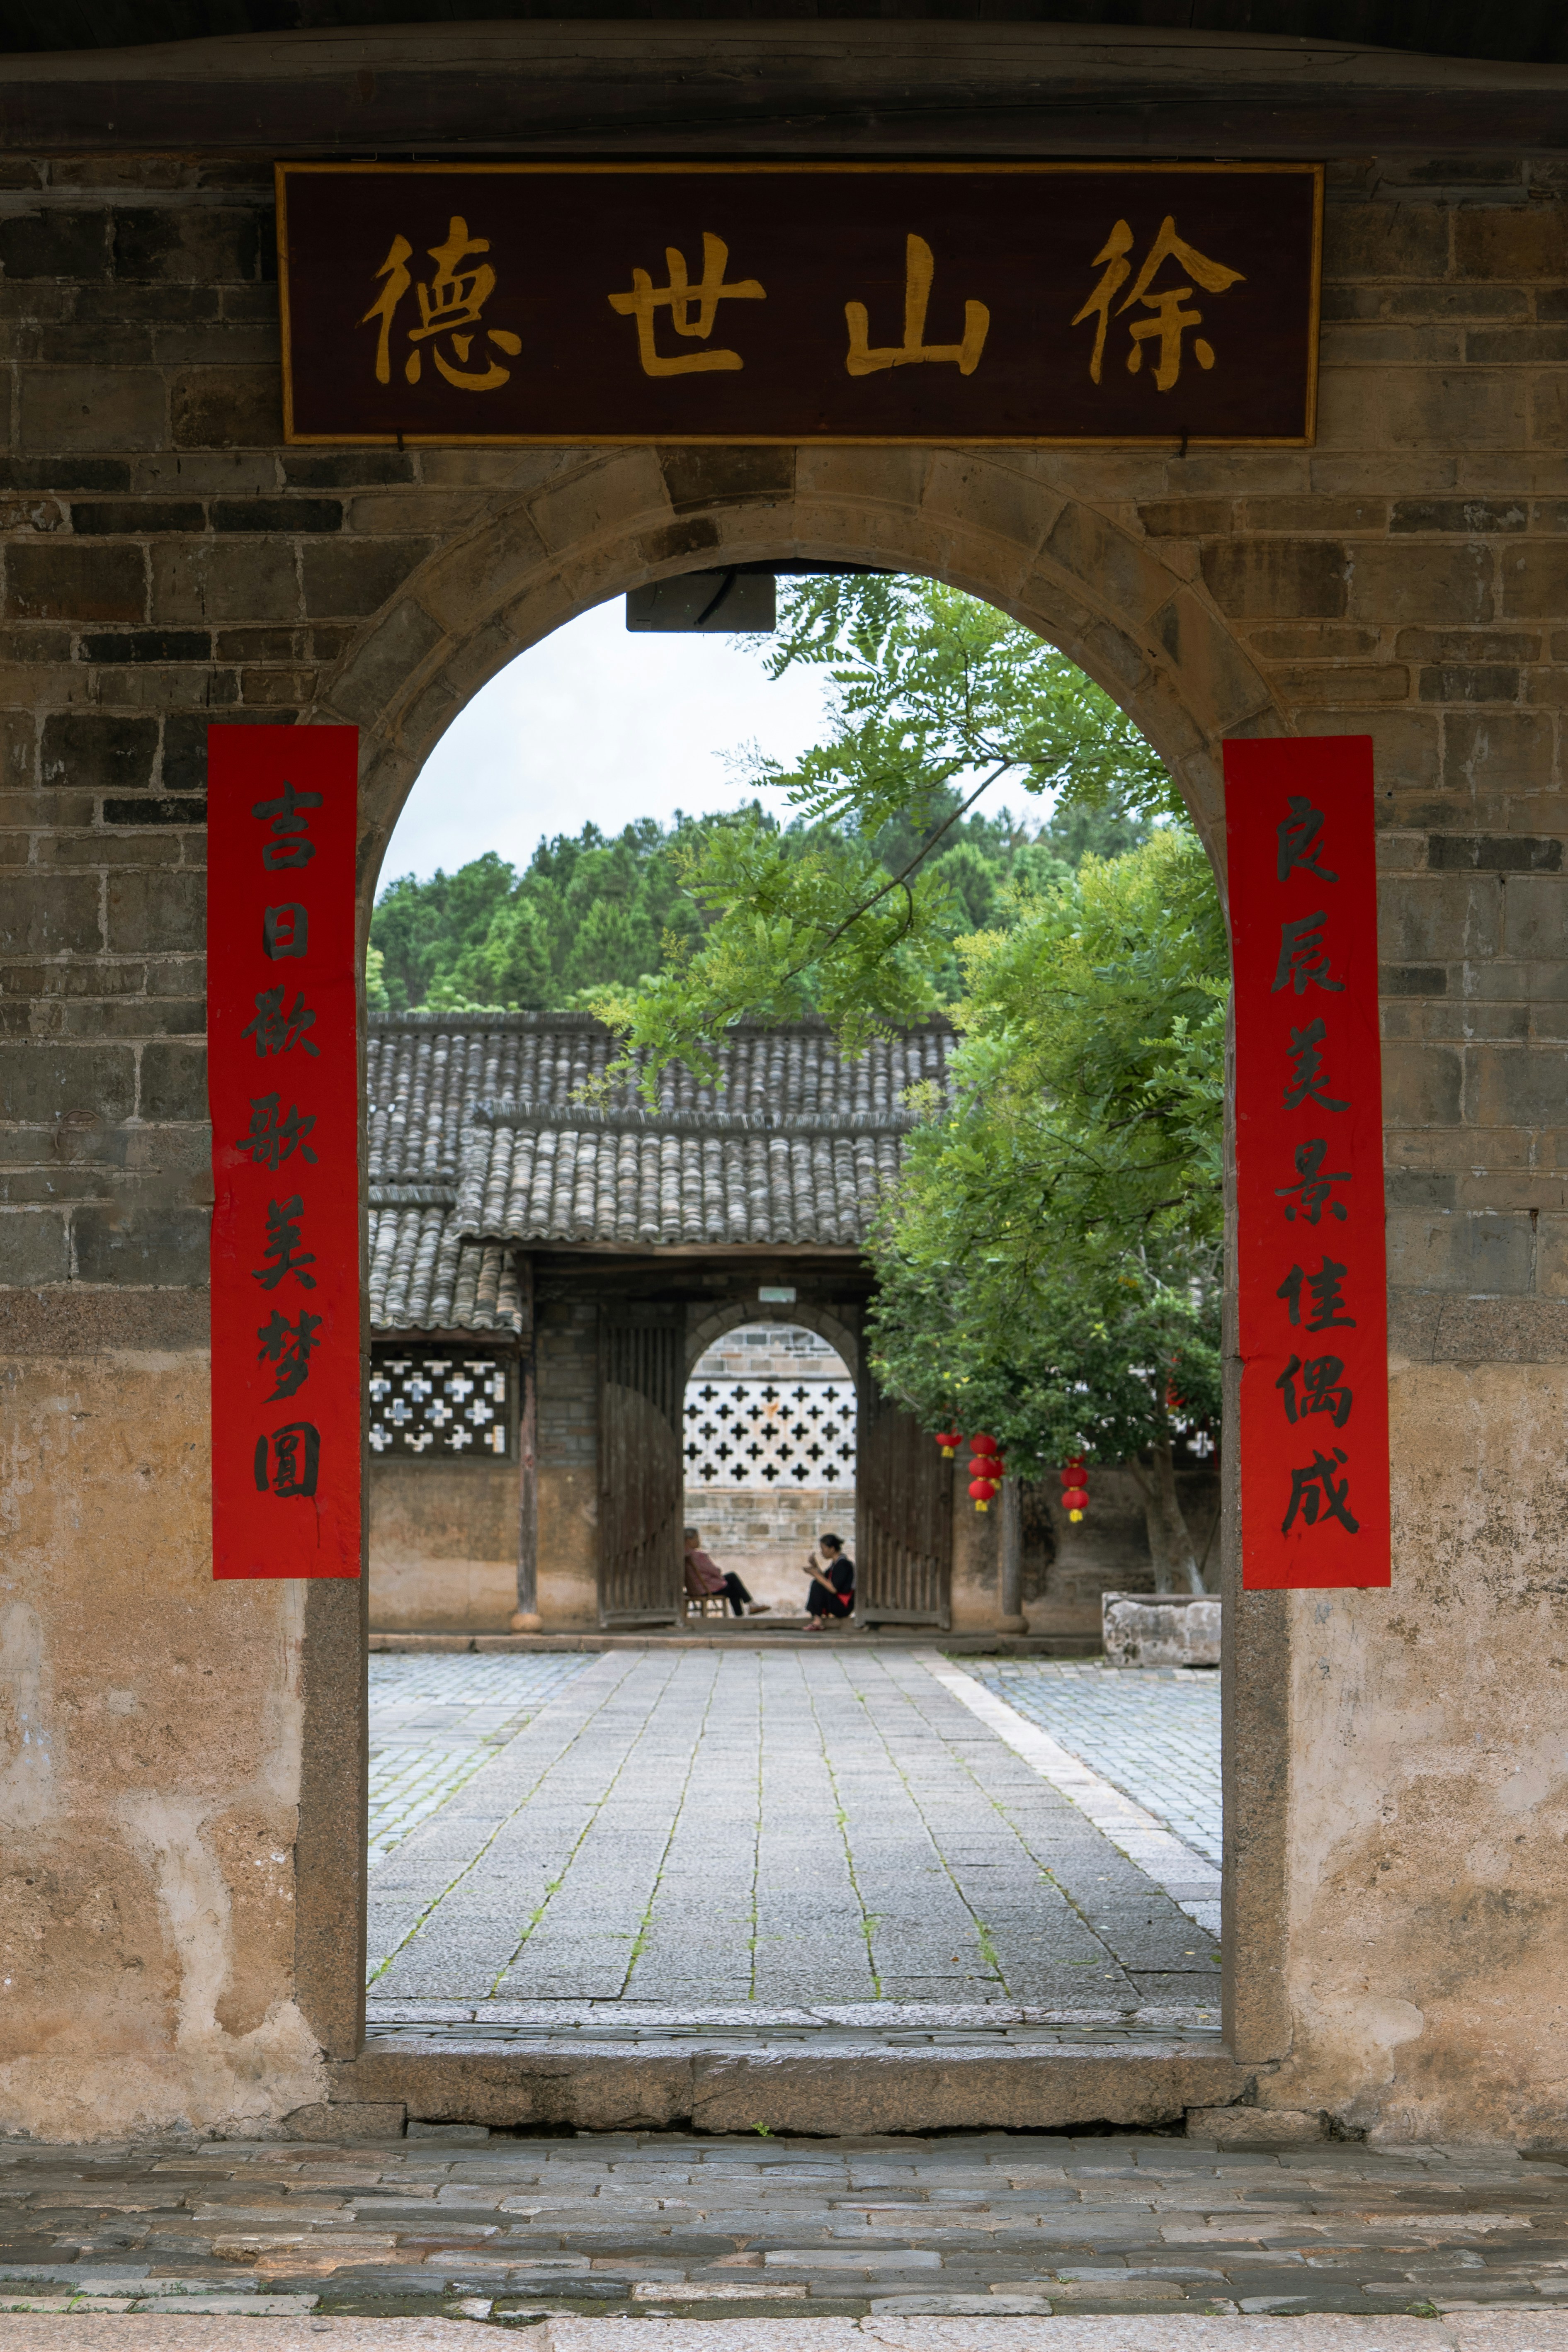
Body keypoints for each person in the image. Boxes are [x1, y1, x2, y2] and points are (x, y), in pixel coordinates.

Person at [683, 1526, 769, 1617]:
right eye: (697, 1538)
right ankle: (746, 1609)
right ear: (689, 1540)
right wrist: (718, 1573)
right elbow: (716, 1572)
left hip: (694, 1589)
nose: (699, 1541)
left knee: (732, 1582)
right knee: (733, 1582)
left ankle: (748, 1608)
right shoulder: (697, 1556)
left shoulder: (684, 1555)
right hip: (707, 1589)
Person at [801, 1532, 854, 1629]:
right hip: (838, 1601)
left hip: (843, 1605)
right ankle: (817, 1620)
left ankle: (818, 1622)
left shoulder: (843, 1565)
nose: (822, 1552)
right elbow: (825, 1579)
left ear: (832, 1549)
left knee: (817, 1585)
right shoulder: (836, 1564)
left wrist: (815, 1574)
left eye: (823, 1549)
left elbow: (833, 1589)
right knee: (818, 1583)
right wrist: (815, 1566)